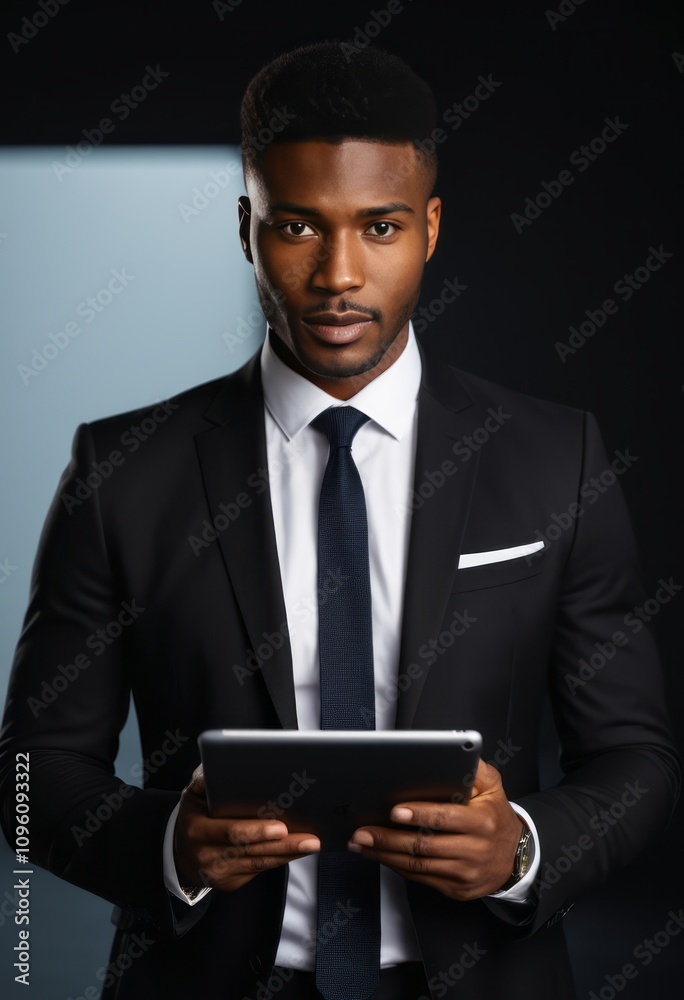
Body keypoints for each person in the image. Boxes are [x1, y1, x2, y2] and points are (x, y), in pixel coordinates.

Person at [0, 41, 679, 1000]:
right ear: (247, 229)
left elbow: (638, 760)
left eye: (381, 226)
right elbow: (30, 776)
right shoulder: (123, 471)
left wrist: (523, 848)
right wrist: (168, 842)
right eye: (297, 227)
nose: (338, 275)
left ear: (430, 229)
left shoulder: (554, 456)